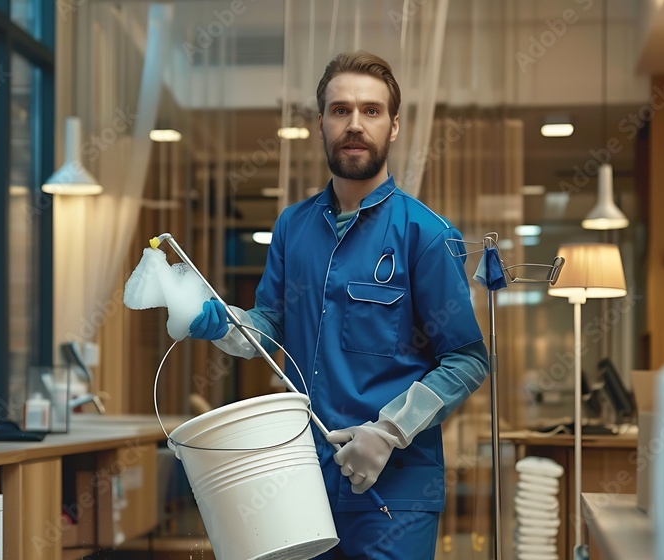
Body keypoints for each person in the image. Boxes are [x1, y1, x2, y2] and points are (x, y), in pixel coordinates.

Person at [188, 51, 489, 559]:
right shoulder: (292, 227)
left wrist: (390, 432)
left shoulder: (425, 236)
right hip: (301, 480)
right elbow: (270, 326)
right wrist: (228, 326)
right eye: (340, 110)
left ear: (393, 127)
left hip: (395, 492)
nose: (355, 124)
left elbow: (466, 360)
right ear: (320, 124)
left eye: (371, 111)